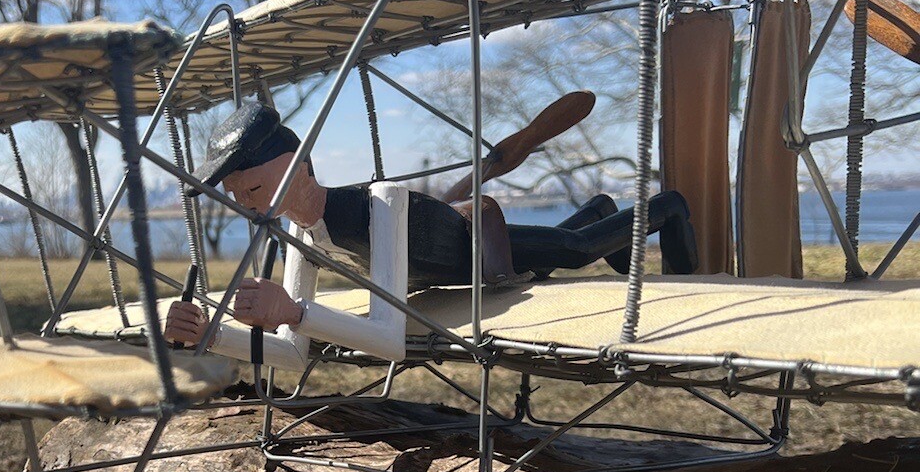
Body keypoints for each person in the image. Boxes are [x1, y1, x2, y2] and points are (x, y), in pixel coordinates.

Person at [165, 100, 696, 367]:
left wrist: (295, 311)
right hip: (444, 268)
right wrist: (212, 336)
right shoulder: (301, 230)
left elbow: (389, 338)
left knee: (575, 252)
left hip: (472, 251)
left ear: (299, 167)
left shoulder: (379, 203)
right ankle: (599, 209)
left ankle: (668, 209)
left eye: (252, 187)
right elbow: (292, 353)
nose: (243, 202)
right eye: (234, 193)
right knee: (551, 250)